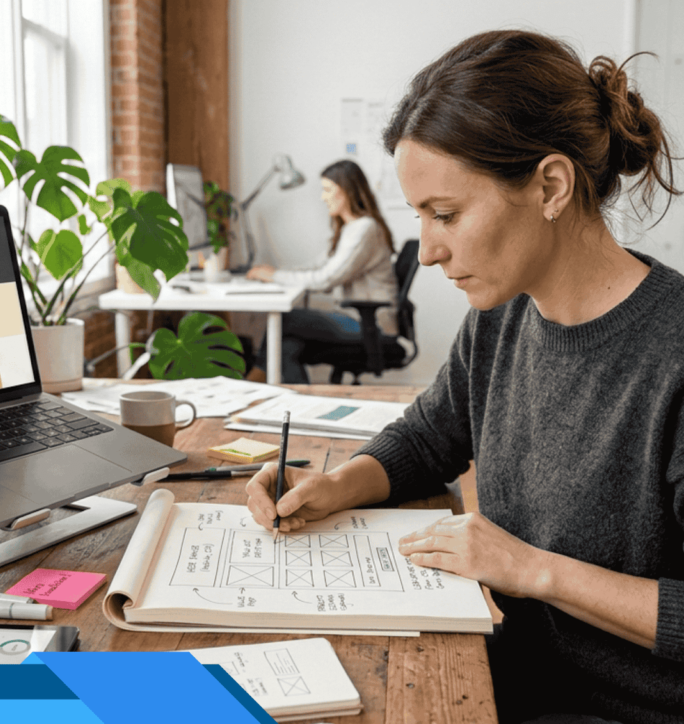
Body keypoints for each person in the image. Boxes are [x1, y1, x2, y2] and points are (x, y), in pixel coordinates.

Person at [245, 30, 683, 723]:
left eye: (444, 214)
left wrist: (531, 569)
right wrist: (336, 485)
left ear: (550, 185)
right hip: (494, 668)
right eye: (420, 217)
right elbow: (427, 440)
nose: (429, 249)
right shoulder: (504, 314)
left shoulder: (673, 354)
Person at [246, 160, 399, 384]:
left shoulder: (365, 229)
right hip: (354, 318)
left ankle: (252, 382)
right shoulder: (350, 228)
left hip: (370, 323)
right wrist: (275, 272)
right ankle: (296, 407)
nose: (323, 197)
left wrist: (274, 277)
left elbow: (326, 280)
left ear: (347, 190)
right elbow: (319, 266)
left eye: (328, 190)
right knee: (286, 345)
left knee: (285, 321)